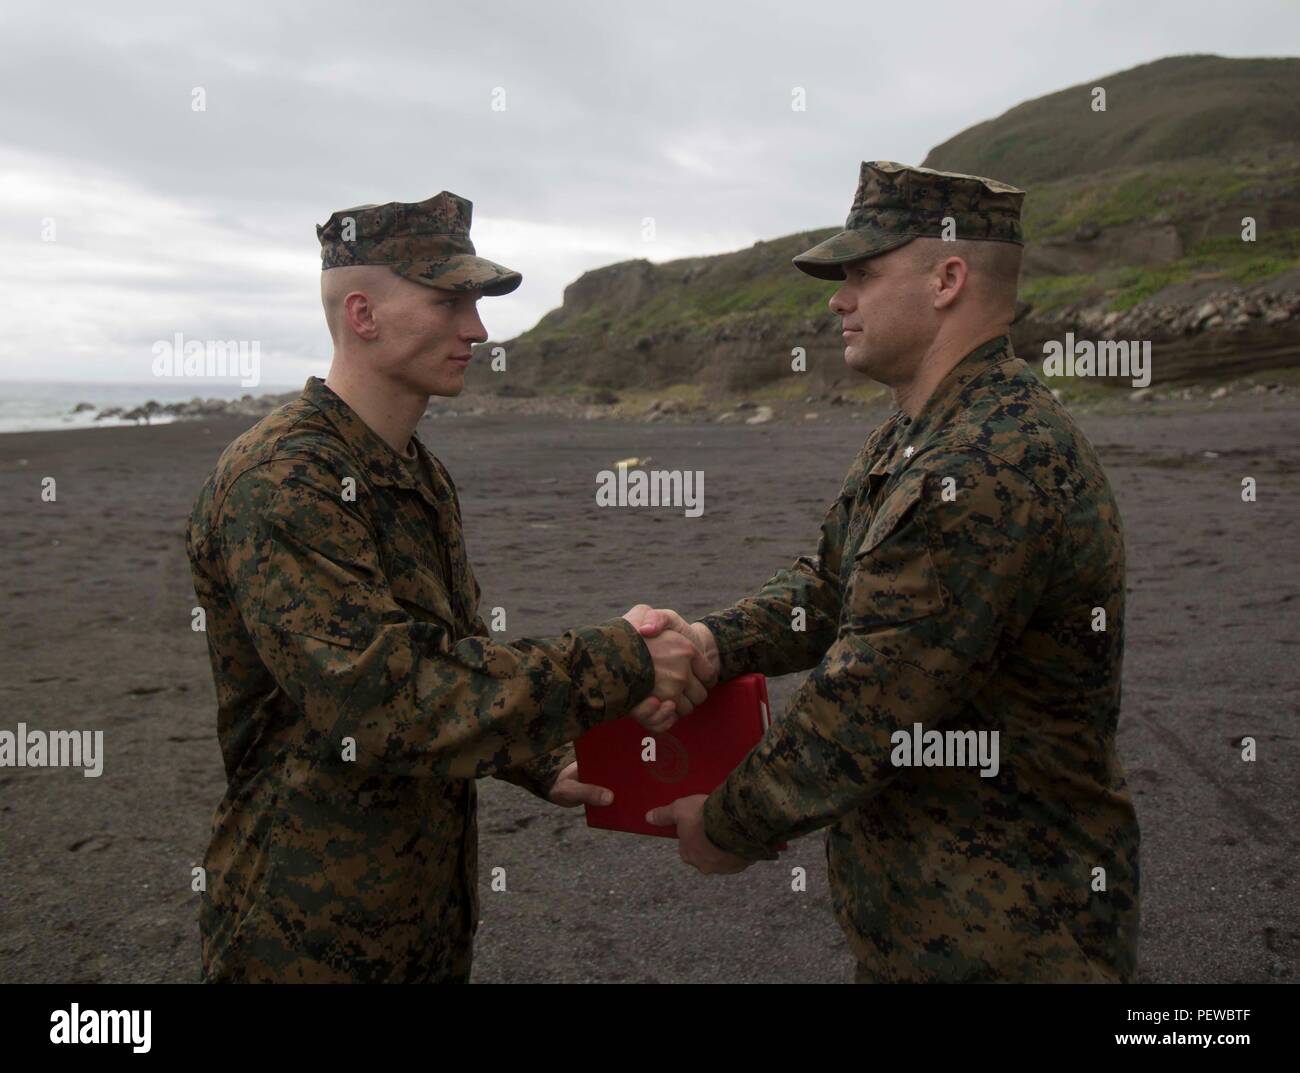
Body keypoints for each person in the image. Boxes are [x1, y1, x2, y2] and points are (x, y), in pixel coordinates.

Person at [185, 190, 709, 983]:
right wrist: (621, 661)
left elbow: (453, 659)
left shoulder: (414, 470)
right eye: (449, 300)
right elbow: (383, 697)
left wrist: (541, 759)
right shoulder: (284, 477)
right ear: (362, 314)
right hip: (300, 928)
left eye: (476, 302)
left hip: (422, 916)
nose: (477, 329)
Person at [643, 161, 1141, 983]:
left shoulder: (986, 461)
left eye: (863, 274)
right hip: (935, 919)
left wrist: (728, 822)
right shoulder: (920, 431)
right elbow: (831, 587)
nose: (839, 299)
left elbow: (865, 709)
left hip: (1014, 933)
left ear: (947, 277)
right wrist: (711, 642)